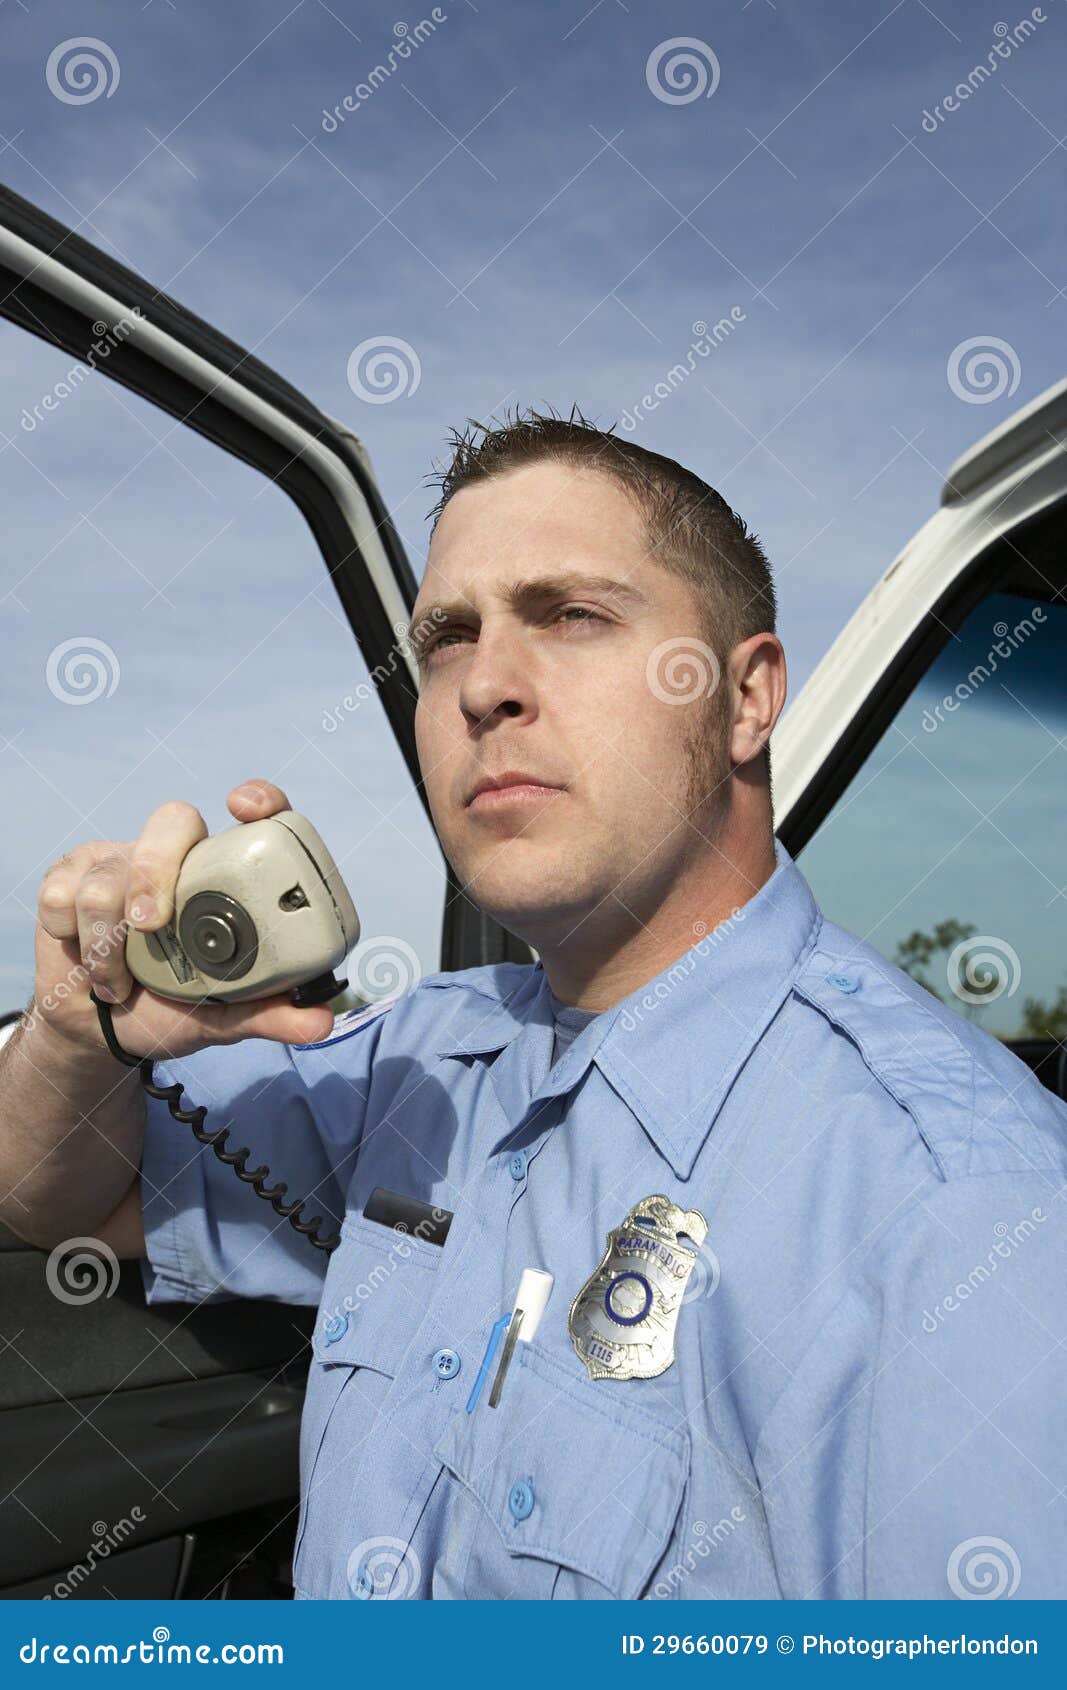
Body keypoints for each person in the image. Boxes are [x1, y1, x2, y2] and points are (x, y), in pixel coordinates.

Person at [1, 412, 1064, 1602]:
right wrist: (77, 1031)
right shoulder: (424, 1056)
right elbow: (64, 1196)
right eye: (446, 638)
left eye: (572, 616)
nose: (483, 688)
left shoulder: (957, 1209)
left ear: (746, 697)